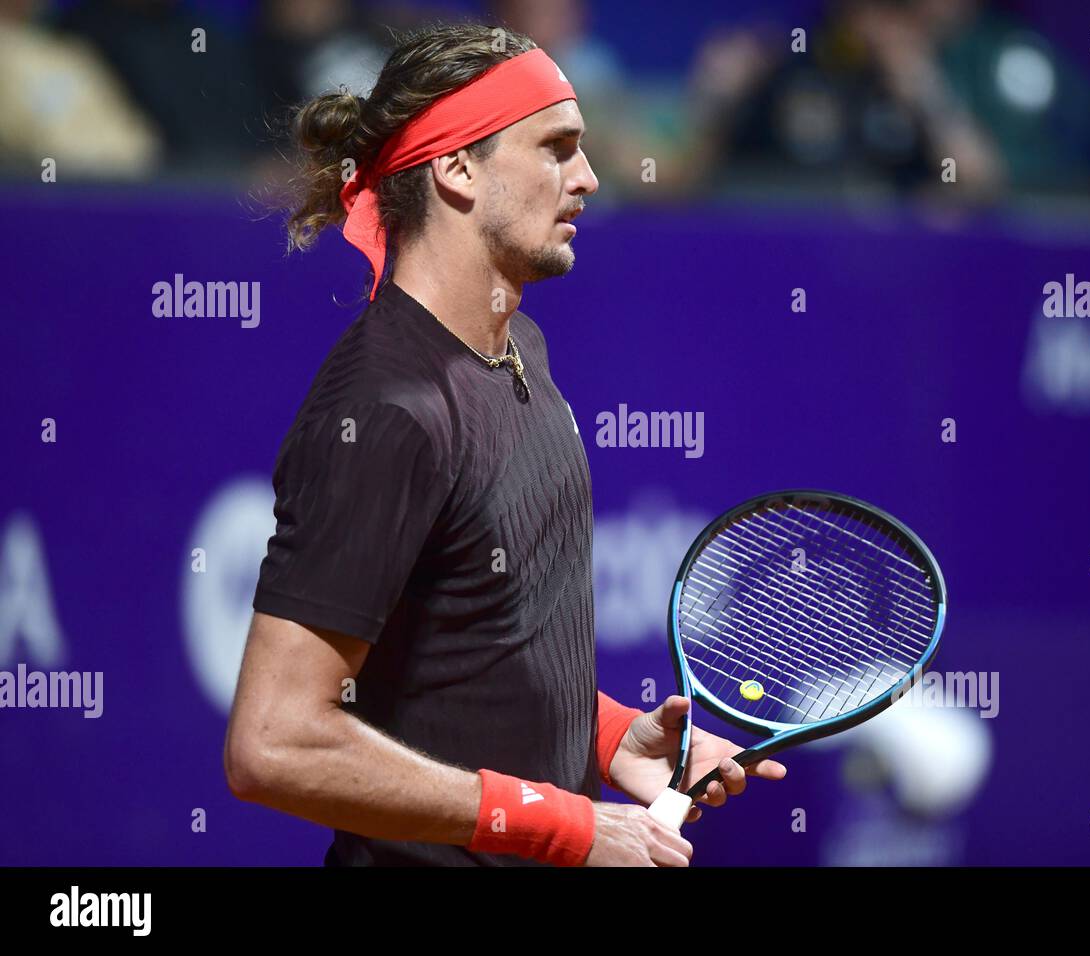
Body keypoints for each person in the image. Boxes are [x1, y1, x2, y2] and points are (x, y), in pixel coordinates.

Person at [223, 20, 785, 867]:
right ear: (456, 169)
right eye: (556, 148)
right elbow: (274, 744)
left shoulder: (518, 346)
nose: (589, 178)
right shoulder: (389, 408)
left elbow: (470, 649)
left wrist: (611, 738)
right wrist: (566, 825)